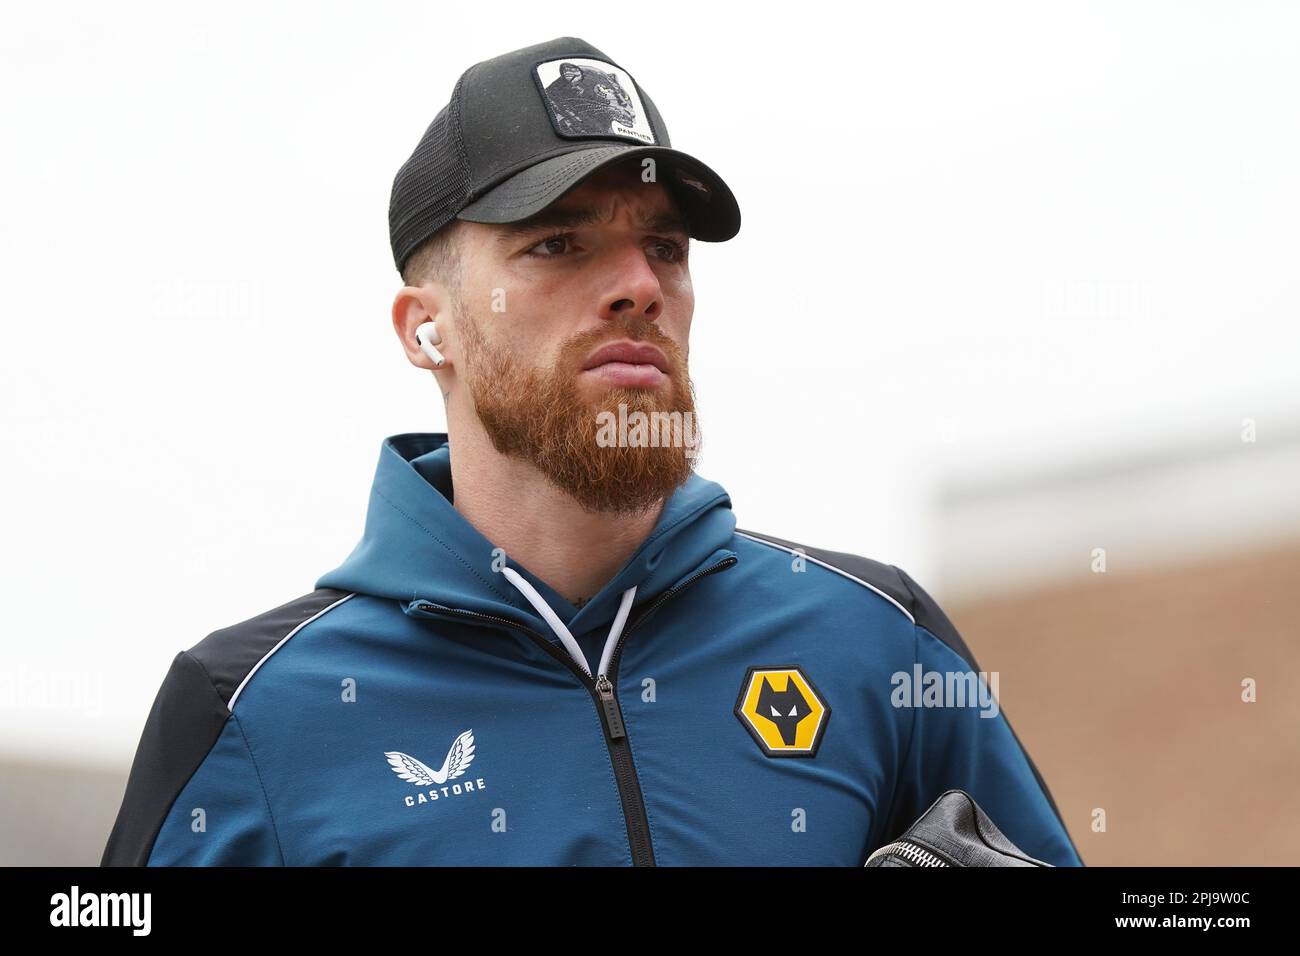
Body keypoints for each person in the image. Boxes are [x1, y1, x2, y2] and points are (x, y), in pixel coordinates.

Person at [101, 36, 1083, 867]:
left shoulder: (878, 640)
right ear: (425, 327)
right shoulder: (251, 711)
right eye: (558, 243)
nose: (637, 285)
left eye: (664, 247)